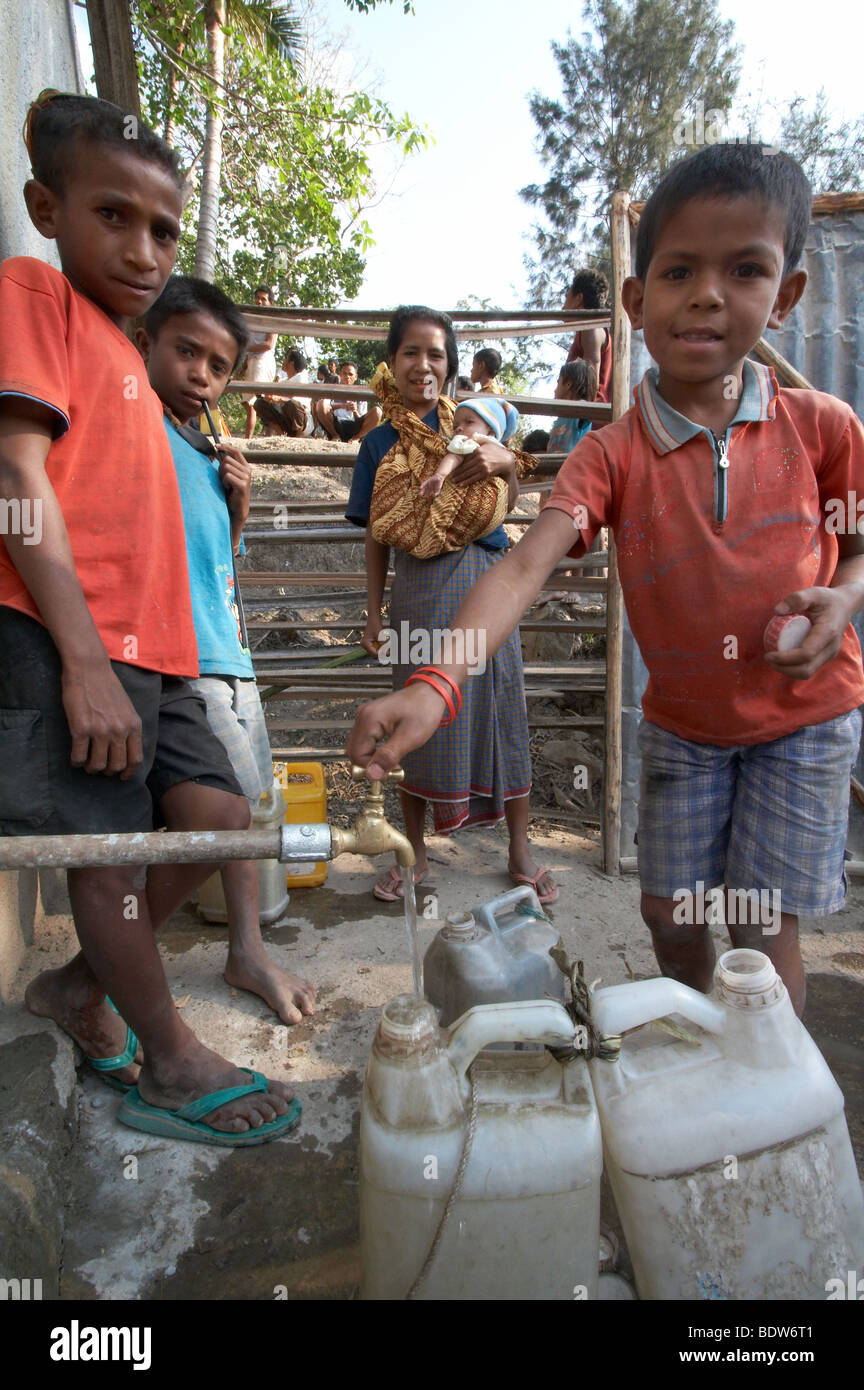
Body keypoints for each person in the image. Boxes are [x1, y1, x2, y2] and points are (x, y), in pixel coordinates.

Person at [346, 143, 864, 1017]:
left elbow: (858, 546)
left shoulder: (823, 429)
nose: (707, 292)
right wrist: (437, 683)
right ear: (636, 300)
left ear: (785, 297)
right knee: (669, 912)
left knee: (760, 928)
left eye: (744, 269)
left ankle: (763, 1085)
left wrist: (846, 596)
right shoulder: (611, 454)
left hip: (805, 720)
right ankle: (686, 1037)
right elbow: (521, 567)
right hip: (685, 726)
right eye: (679, 270)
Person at [0, 91, 298, 1144]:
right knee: (109, 859)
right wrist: (80, 659)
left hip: (160, 652)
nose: (141, 246)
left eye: (163, 228)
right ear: (46, 207)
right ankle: (170, 1058)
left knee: (220, 821)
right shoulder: (34, 294)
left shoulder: (132, 358)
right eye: (111, 214)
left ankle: (84, 986)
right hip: (77, 639)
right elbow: (15, 470)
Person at [137, 274, 316, 1027]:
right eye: (185, 351)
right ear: (143, 342)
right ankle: (133, 953)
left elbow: (214, 559)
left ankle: (244, 948)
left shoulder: (203, 447)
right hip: (185, 657)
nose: (200, 375)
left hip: (229, 652)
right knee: (224, 814)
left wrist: (236, 505)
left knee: (246, 809)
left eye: (218, 365)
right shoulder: (138, 425)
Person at [345, 306, 558, 905]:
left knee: (501, 708)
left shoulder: (474, 427)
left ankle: (520, 851)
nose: (423, 365)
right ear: (392, 361)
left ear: (452, 367)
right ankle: (413, 860)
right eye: (411, 352)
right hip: (417, 591)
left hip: (489, 585)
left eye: (436, 354)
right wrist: (372, 613)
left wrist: (507, 467)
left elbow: (506, 504)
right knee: (412, 717)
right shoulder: (379, 446)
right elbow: (377, 534)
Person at [418, 397, 519, 500]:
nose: (459, 428)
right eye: (455, 426)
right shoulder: (467, 442)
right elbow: (454, 456)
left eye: (469, 422)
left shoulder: (497, 450)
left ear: (491, 431)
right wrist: (440, 475)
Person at [564, 268, 612, 405]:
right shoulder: (588, 329)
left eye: (567, 295)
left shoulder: (590, 328)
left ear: (578, 298)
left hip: (589, 420)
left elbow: (590, 383)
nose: (564, 304)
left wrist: (577, 422)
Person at [240, 285, 277, 439]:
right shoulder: (252, 320)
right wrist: (243, 365)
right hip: (252, 360)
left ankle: (266, 435)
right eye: (258, 298)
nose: (259, 302)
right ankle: (248, 437)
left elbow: (268, 344)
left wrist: (246, 347)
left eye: (264, 299)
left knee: (259, 400)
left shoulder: (272, 319)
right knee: (248, 402)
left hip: (263, 360)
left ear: (270, 303)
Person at [313, 360, 382, 442]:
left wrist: (355, 411)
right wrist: (342, 406)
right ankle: (335, 436)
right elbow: (323, 407)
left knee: (377, 411)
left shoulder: (361, 394)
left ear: (356, 377)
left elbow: (361, 419)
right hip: (335, 425)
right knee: (321, 403)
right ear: (340, 374)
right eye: (344, 373)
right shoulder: (333, 391)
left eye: (350, 374)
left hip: (354, 427)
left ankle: (356, 438)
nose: (347, 377)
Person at [254, 347, 313, 437]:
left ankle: (298, 437)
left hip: (304, 424)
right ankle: (282, 435)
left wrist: (277, 398)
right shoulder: (284, 381)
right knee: (260, 403)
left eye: (285, 358)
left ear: (291, 363)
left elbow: (299, 403)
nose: (283, 361)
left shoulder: (302, 377)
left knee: (292, 404)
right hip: (286, 421)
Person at [547, 360, 598, 455]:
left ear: (568, 384)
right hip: (557, 466)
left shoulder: (581, 408)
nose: (554, 390)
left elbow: (599, 416)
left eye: (558, 383)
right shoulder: (564, 415)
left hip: (572, 466)